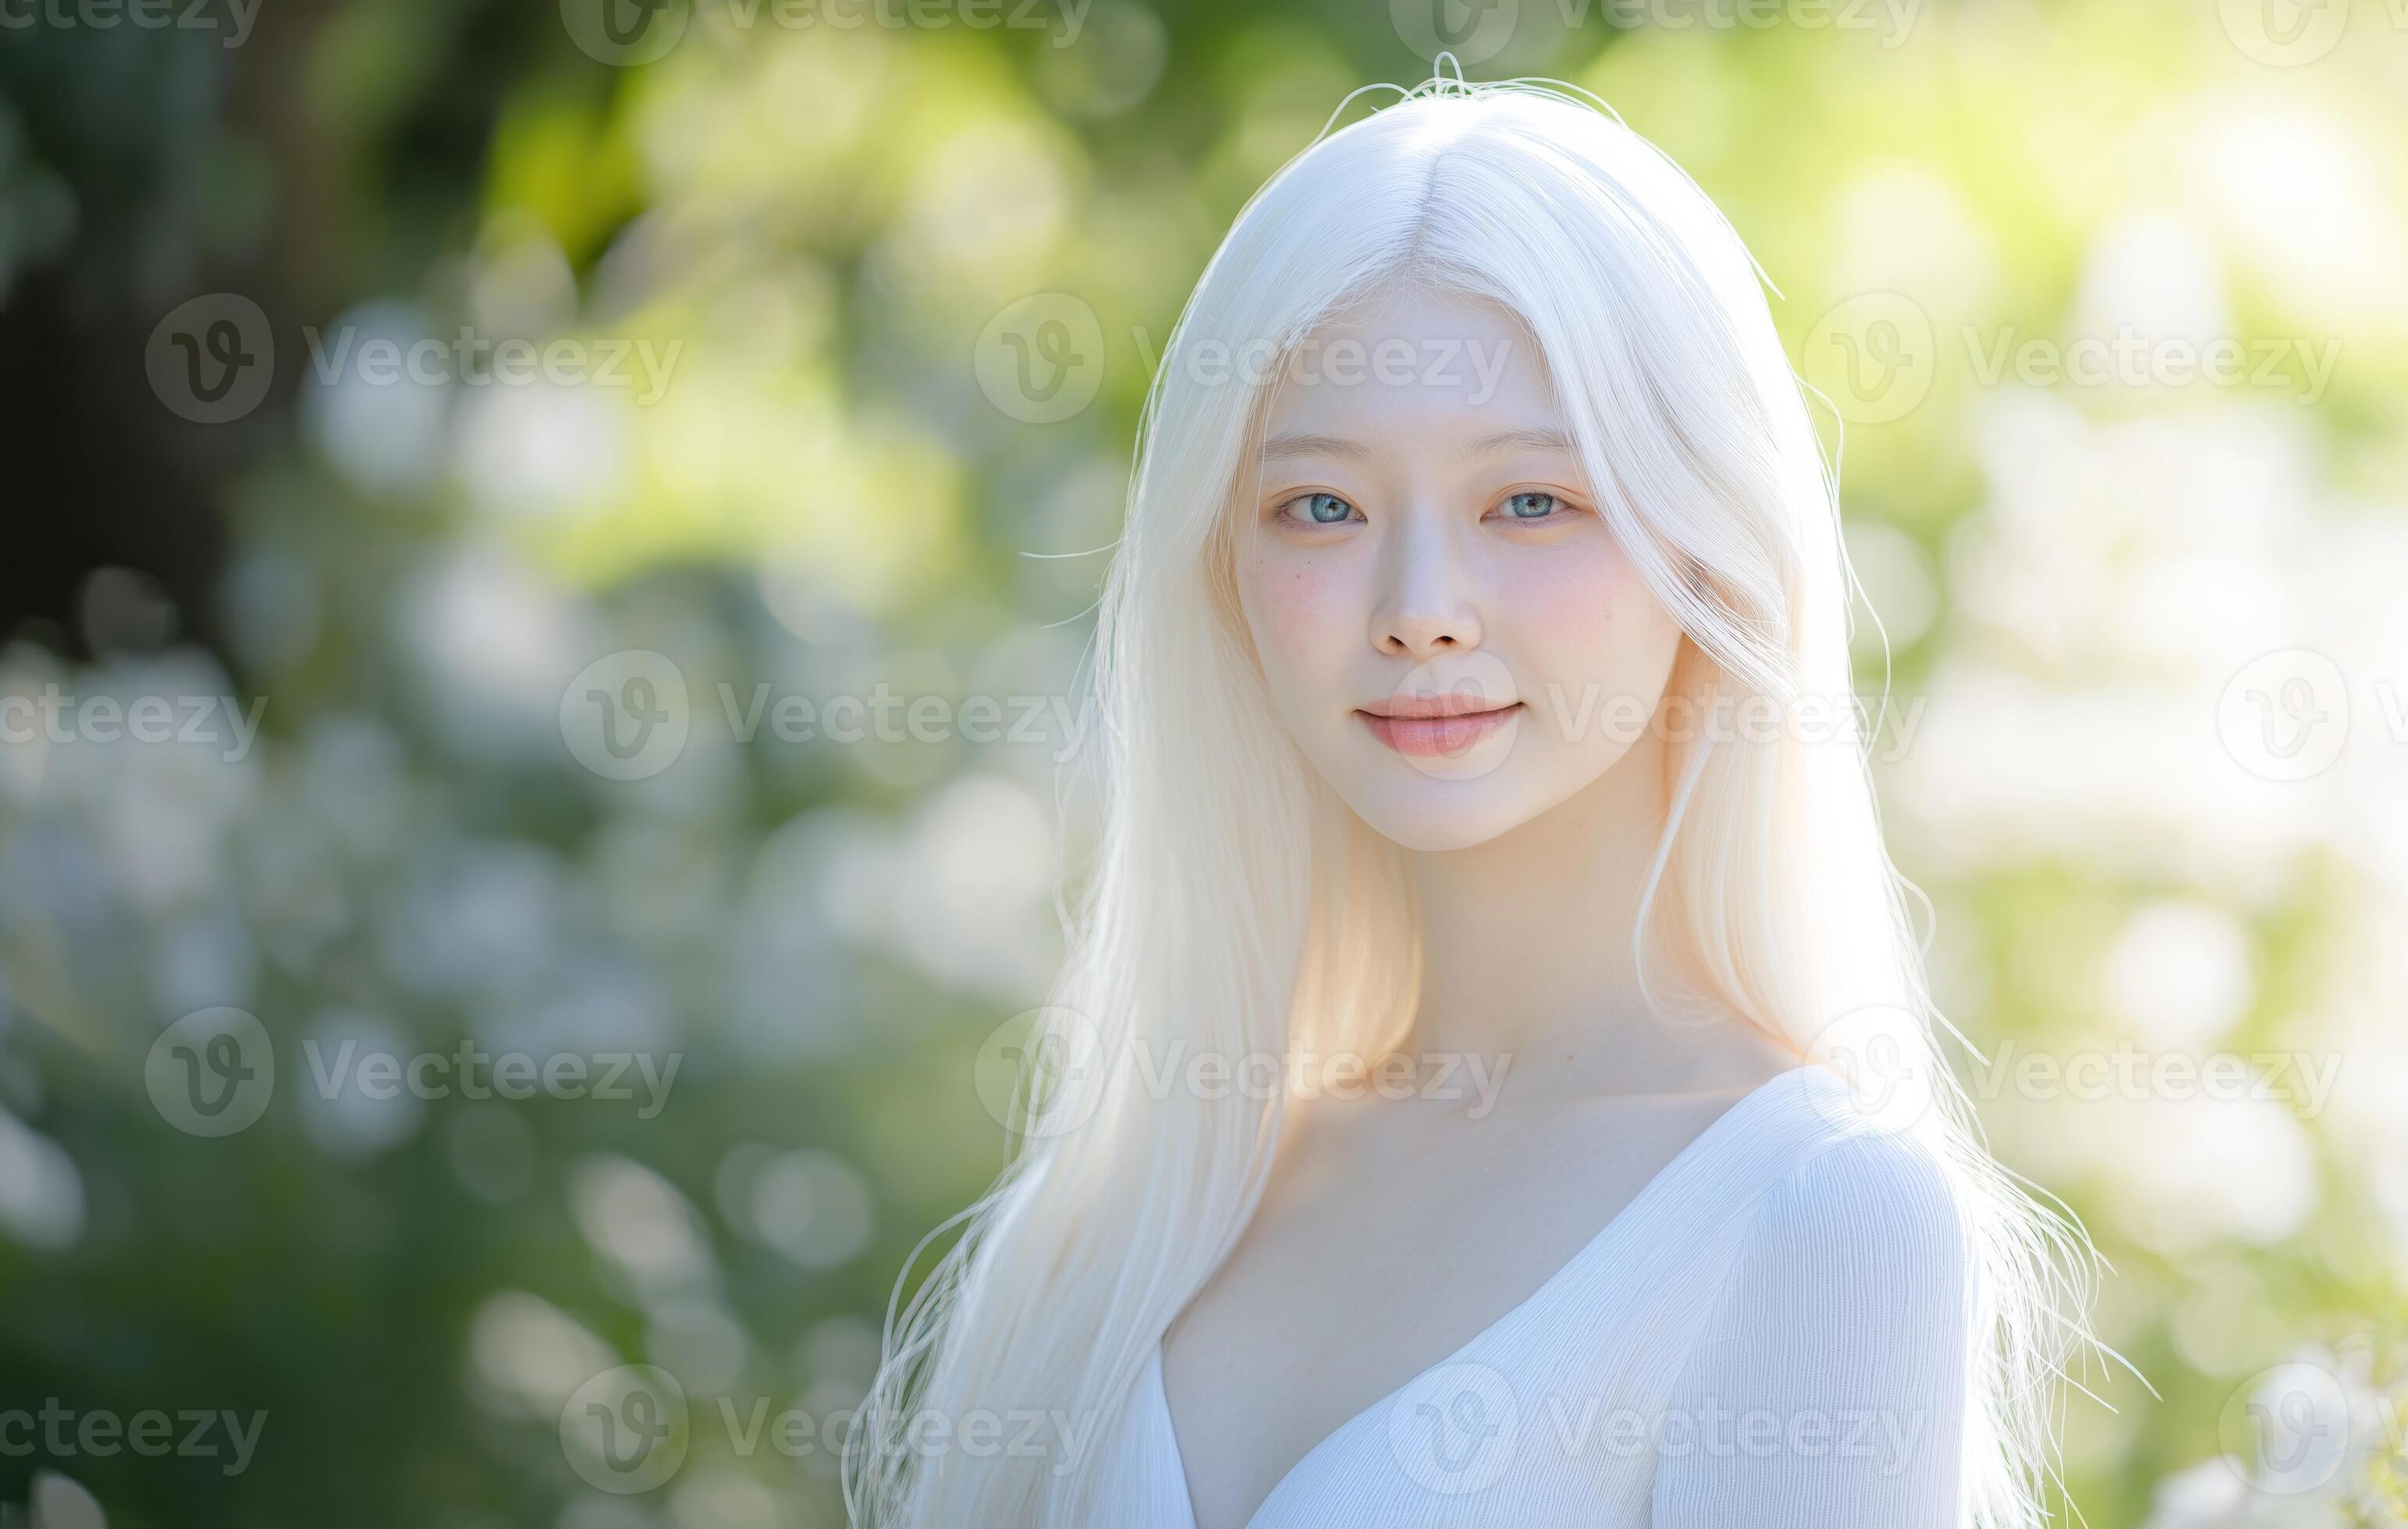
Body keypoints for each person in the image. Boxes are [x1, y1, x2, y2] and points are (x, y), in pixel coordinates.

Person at [851, 66, 2093, 1529]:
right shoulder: (1130, 1204)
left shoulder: (1816, 1216)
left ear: (1706, 551)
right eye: (1323, 506)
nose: (1420, 609)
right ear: (1223, 570)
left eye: (1530, 502)